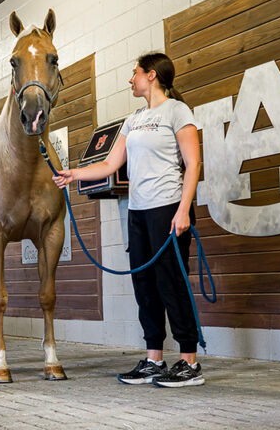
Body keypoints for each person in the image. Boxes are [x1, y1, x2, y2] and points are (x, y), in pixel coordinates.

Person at [52, 52, 204, 388]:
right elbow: (109, 165)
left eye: (134, 72)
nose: (130, 79)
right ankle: (154, 359)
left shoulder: (177, 112)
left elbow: (193, 164)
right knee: (145, 287)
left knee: (171, 284)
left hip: (168, 207)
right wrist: (73, 174)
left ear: (151, 75)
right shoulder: (132, 120)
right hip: (138, 212)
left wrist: (183, 210)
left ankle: (190, 362)